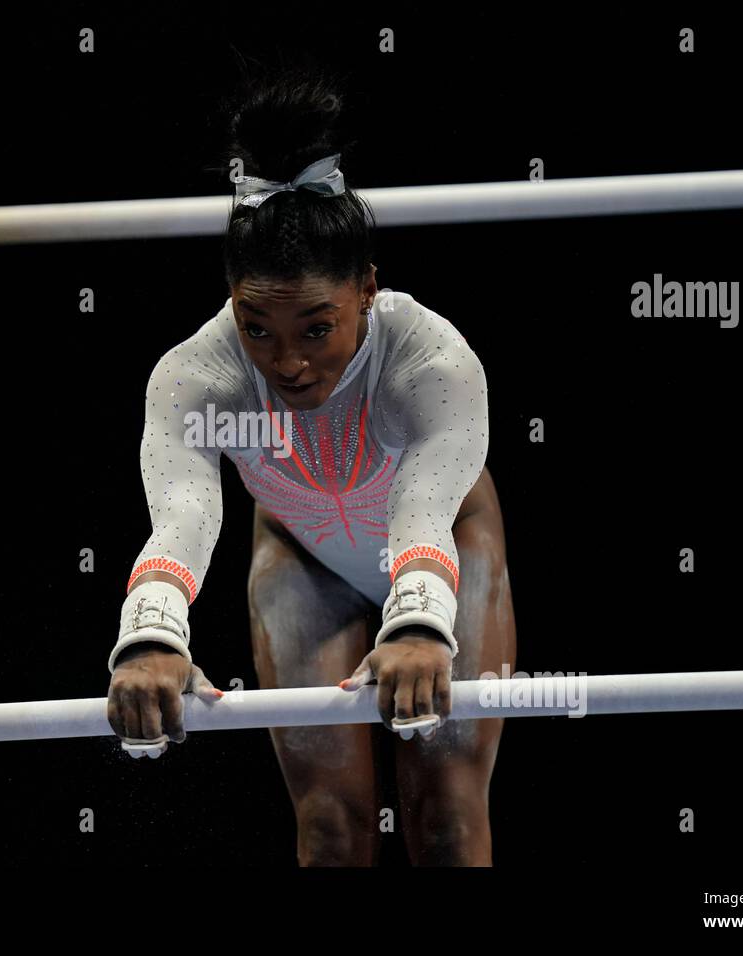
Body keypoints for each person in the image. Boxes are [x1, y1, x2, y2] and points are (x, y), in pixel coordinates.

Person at [106, 67, 517, 866]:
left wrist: (421, 620)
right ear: (232, 300)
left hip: (449, 543)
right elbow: (184, 519)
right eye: (258, 328)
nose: (287, 363)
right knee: (330, 827)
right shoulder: (196, 374)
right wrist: (149, 638)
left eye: (316, 329)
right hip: (302, 556)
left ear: (367, 290)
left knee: (445, 814)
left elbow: (425, 510)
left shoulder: (432, 359)